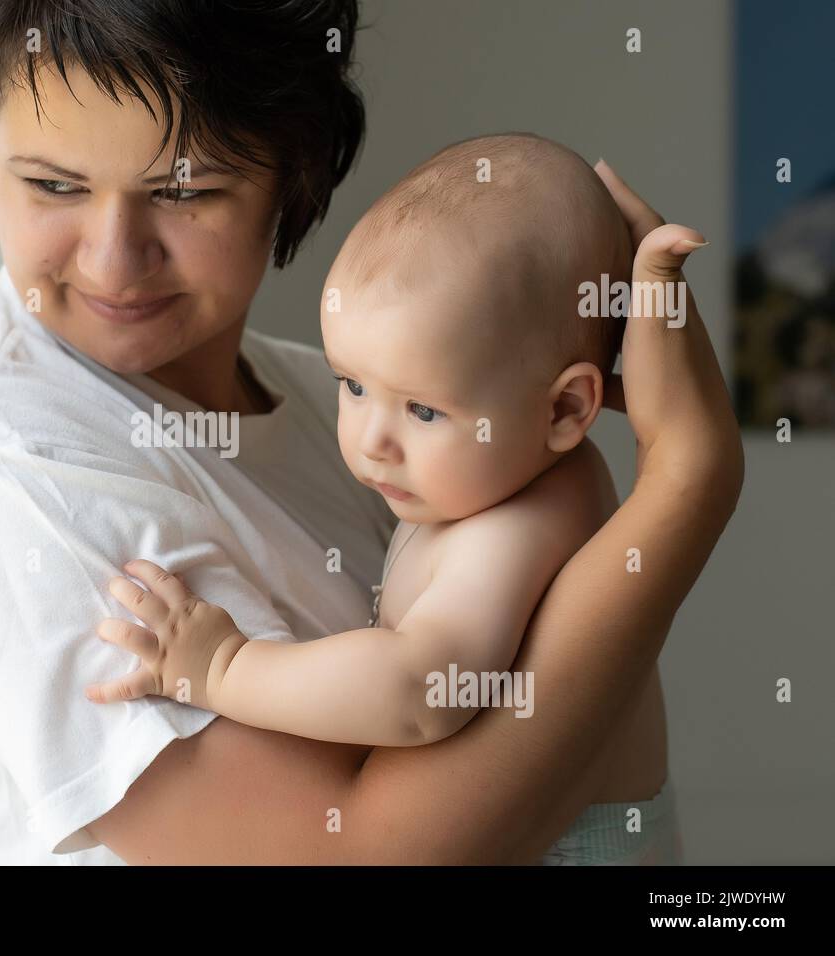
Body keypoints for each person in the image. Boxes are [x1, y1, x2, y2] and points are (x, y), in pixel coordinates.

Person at [0, 0, 743, 864]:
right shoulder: (5, 480)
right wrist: (689, 481)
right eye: (53, 184)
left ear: (293, 178)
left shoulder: (336, 404)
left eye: (185, 194)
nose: (113, 258)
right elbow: (355, 855)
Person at [85, 133, 689, 865]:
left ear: (564, 411)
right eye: (354, 386)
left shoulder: (531, 517)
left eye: (424, 411)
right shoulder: (484, 480)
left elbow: (422, 686)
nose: (373, 440)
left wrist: (223, 670)